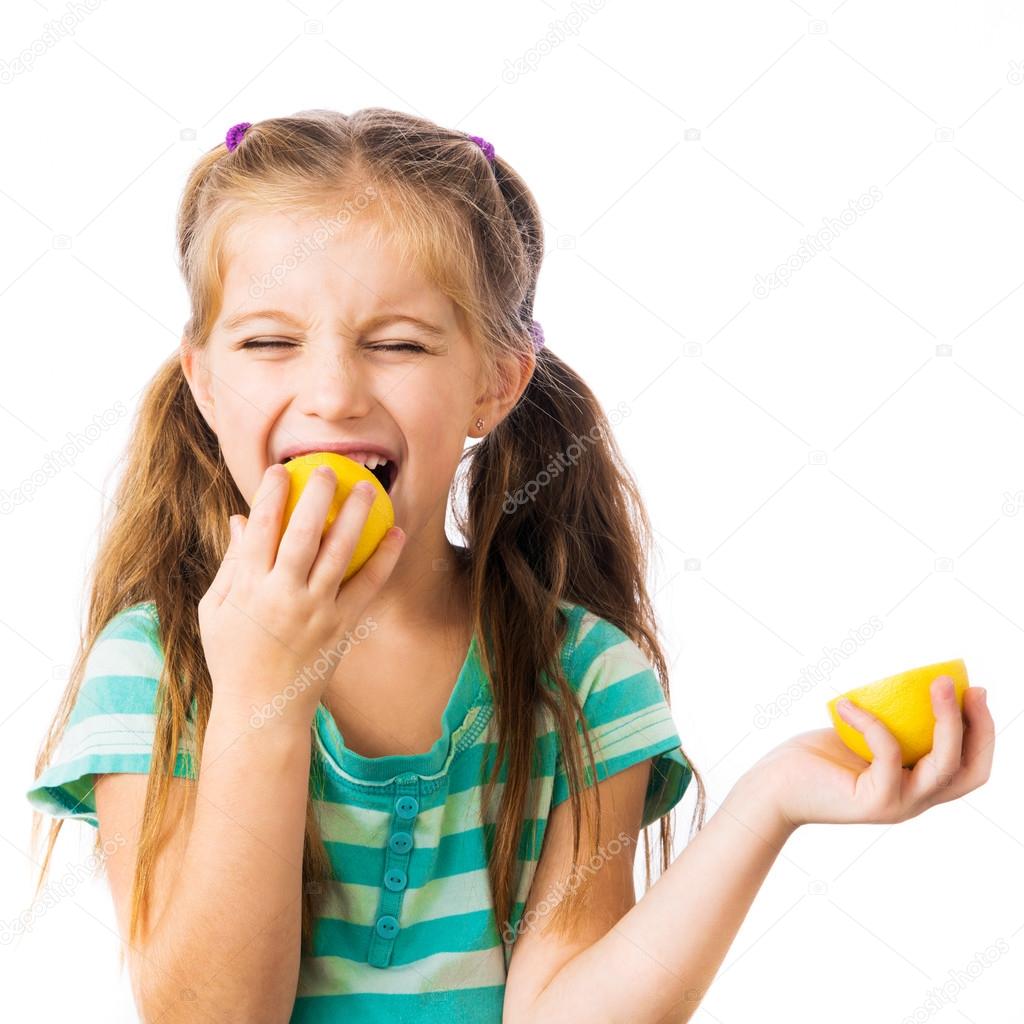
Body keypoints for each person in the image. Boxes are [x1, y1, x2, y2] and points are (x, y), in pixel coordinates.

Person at [26, 108, 993, 1023]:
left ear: (495, 383)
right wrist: (263, 690)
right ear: (203, 380)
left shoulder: (580, 673)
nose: (329, 392)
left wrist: (767, 804)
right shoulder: (156, 666)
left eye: (398, 343)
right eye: (270, 342)